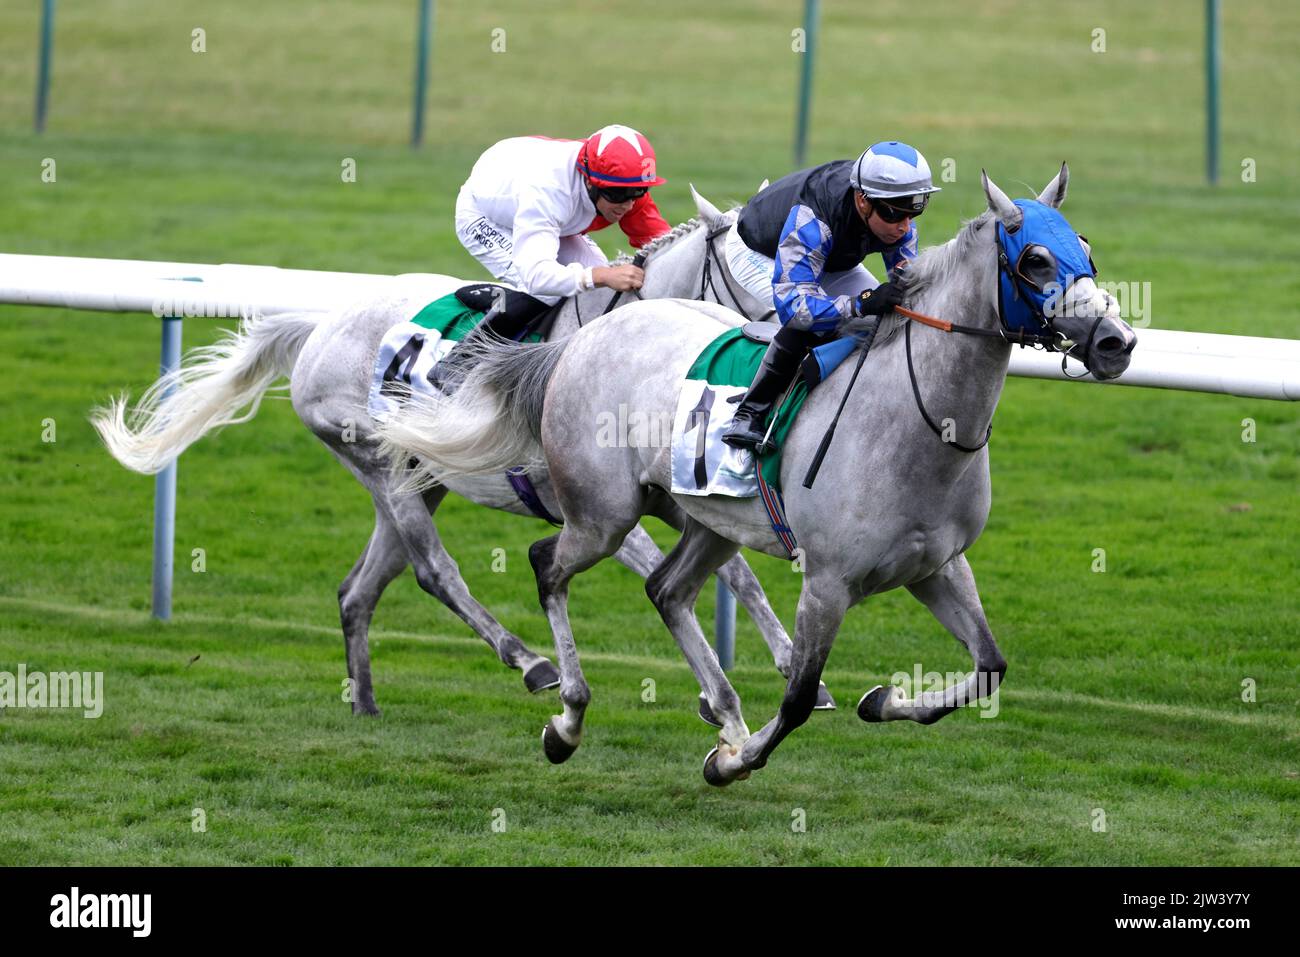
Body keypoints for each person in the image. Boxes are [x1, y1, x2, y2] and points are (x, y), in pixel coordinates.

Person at [720, 141, 941, 450]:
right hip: (759, 250)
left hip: (829, 256)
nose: (904, 227)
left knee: (889, 312)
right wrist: (860, 303)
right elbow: (795, 308)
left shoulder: (893, 209)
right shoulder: (814, 217)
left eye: (914, 212)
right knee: (814, 323)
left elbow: (907, 282)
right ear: (863, 202)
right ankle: (750, 413)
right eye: (895, 215)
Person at [453, 124, 671, 339]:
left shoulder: (626, 185)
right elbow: (537, 276)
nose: (628, 205)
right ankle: (463, 358)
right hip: (483, 214)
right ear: (589, 180)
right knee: (546, 290)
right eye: (617, 194)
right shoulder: (550, 193)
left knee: (596, 286)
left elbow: (667, 248)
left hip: (539, 209)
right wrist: (602, 275)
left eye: (639, 192)